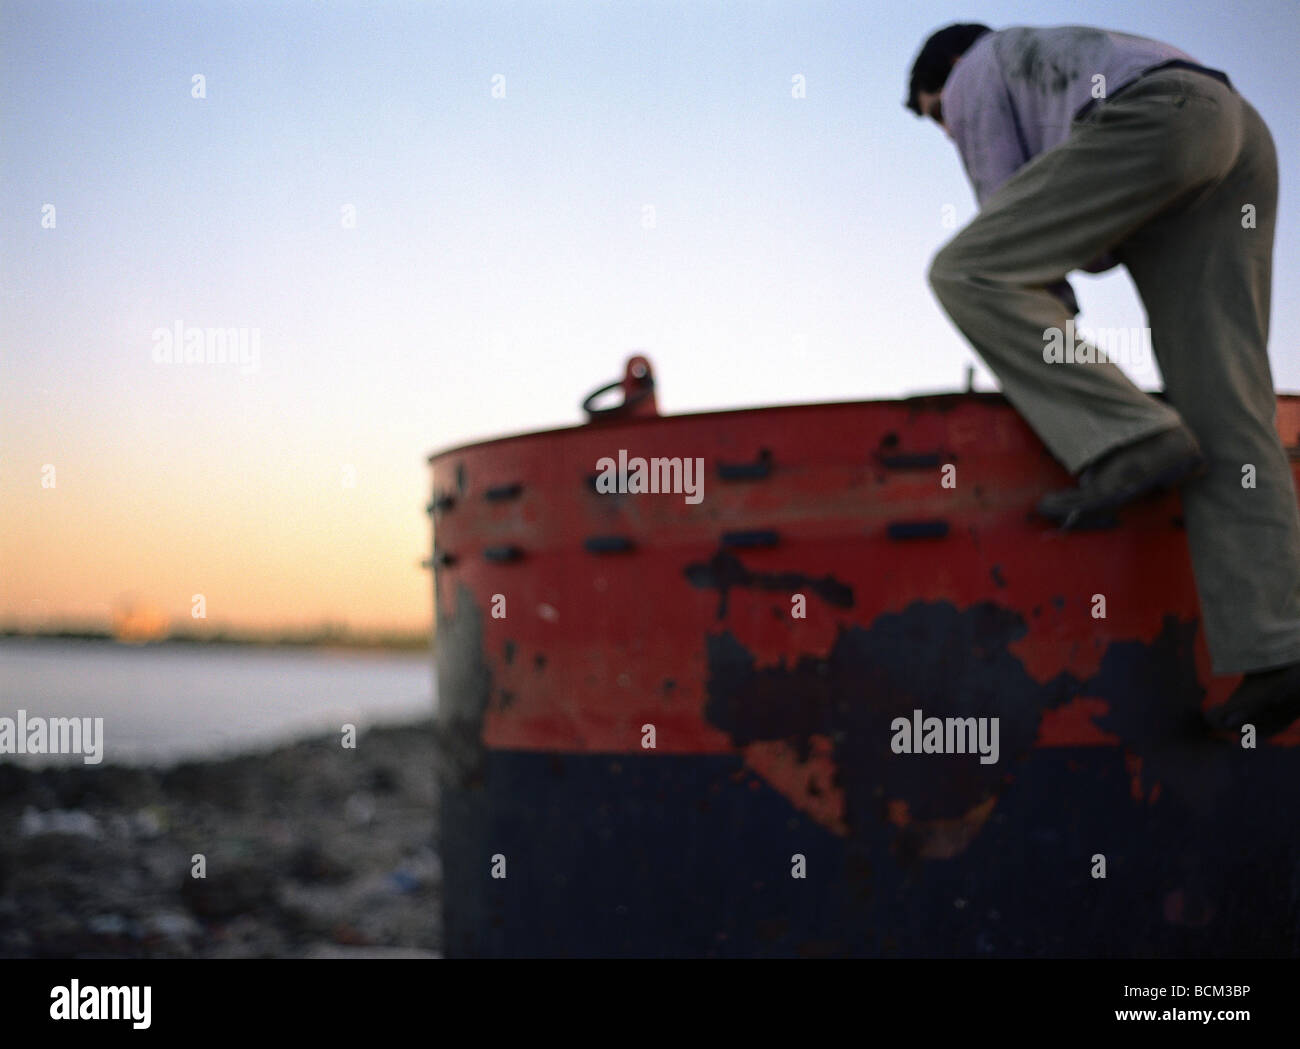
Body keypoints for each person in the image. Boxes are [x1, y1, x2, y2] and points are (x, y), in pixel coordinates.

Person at [907, 23, 1300, 736]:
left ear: (950, 70)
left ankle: (1131, 437)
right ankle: (1280, 648)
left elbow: (1007, 221)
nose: (948, 127)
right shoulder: (1066, 58)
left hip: (1163, 122)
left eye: (936, 114)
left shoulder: (976, 71)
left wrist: (1060, 378)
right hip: (1238, 138)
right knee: (1227, 404)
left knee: (966, 270)